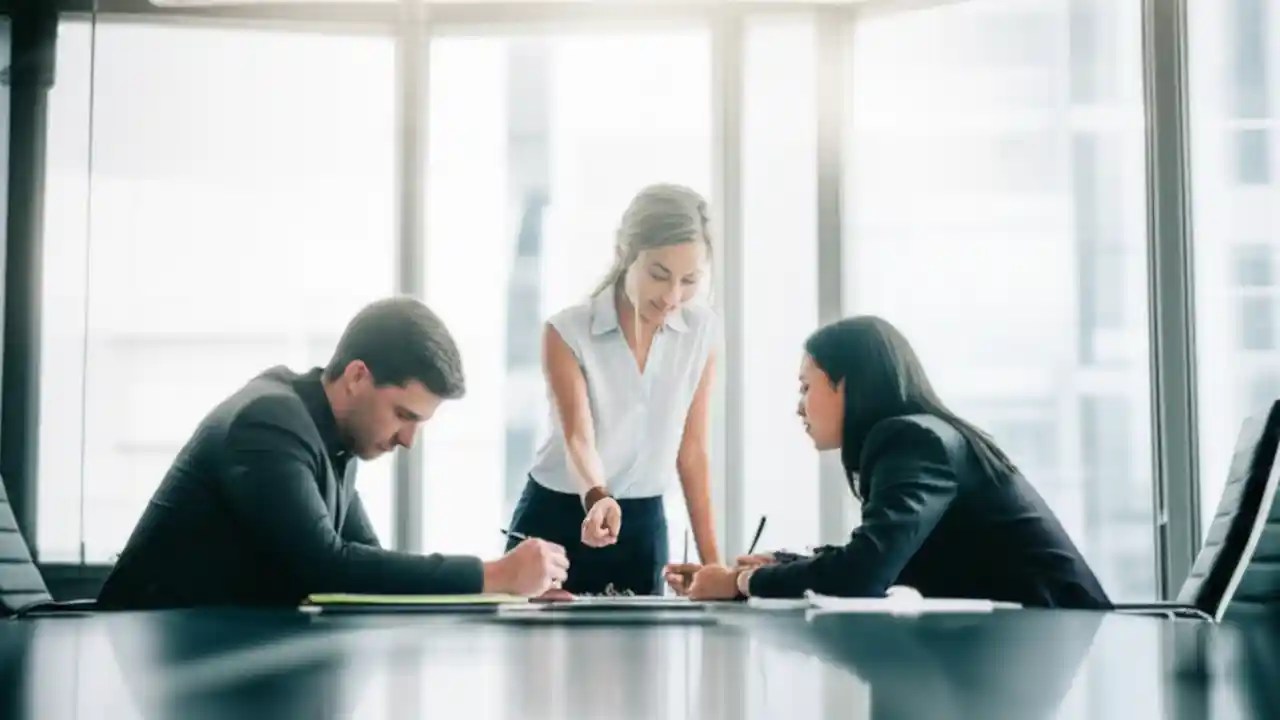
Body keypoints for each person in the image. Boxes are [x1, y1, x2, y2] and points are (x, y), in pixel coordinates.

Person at [97, 297, 568, 609]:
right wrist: (495, 574)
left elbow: (371, 569)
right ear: (358, 376)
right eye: (402, 415)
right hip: (146, 657)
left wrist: (509, 593)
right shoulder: (269, 422)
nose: (407, 440)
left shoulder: (331, 439)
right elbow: (326, 569)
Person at [665, 316, 1111, 609]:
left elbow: (864, 574)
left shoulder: (911, 440)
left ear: (846, 384)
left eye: (806, 386)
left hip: (1058, 640)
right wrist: (777, 567)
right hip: (1032, 641)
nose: (799, 406)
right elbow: (884, 555)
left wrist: (741, 583)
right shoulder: (917, 437)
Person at [504, 184, 721, 595]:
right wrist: (597, 497)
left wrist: (717, 570)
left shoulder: (702, 331)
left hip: (643, 527)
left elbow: (691, 452)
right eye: (659, 274)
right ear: (625, 252)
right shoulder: (568, 331)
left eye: (689, 280)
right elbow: (578, 437)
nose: (672, 296)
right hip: (559, 518)